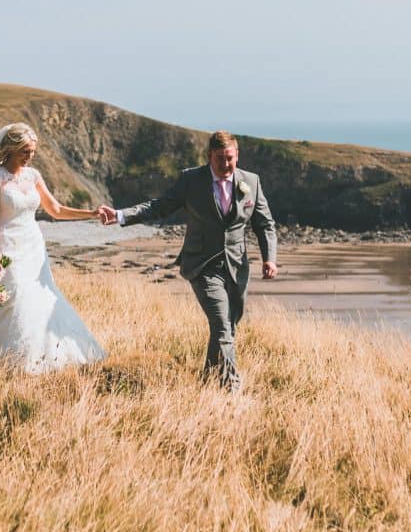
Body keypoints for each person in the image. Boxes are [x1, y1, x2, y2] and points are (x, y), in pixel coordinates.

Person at [96, 131, 277, 392]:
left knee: (229, 325)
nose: (226, 165)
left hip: (237, 267)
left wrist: (269, 258)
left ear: (237, 156)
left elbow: (265, 224)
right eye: (220, 159)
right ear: (209, 157)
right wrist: (122, 215)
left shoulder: (251, 181)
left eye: (230, 159)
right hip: (203, 265)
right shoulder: (192, 180)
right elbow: (160, 206)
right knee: (221, 324)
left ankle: (208, 380)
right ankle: (231, 388)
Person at [0, 123, 106, 372]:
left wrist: (91, 213)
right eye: (25, 151)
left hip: (34, 246)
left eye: (32, 151)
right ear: (10, 149)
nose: (29, 157)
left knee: (41, 298)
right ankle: (0, 356)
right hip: (9, 246)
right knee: (16, 296)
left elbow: (56, 210)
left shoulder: (33, 176)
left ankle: (40, 359)